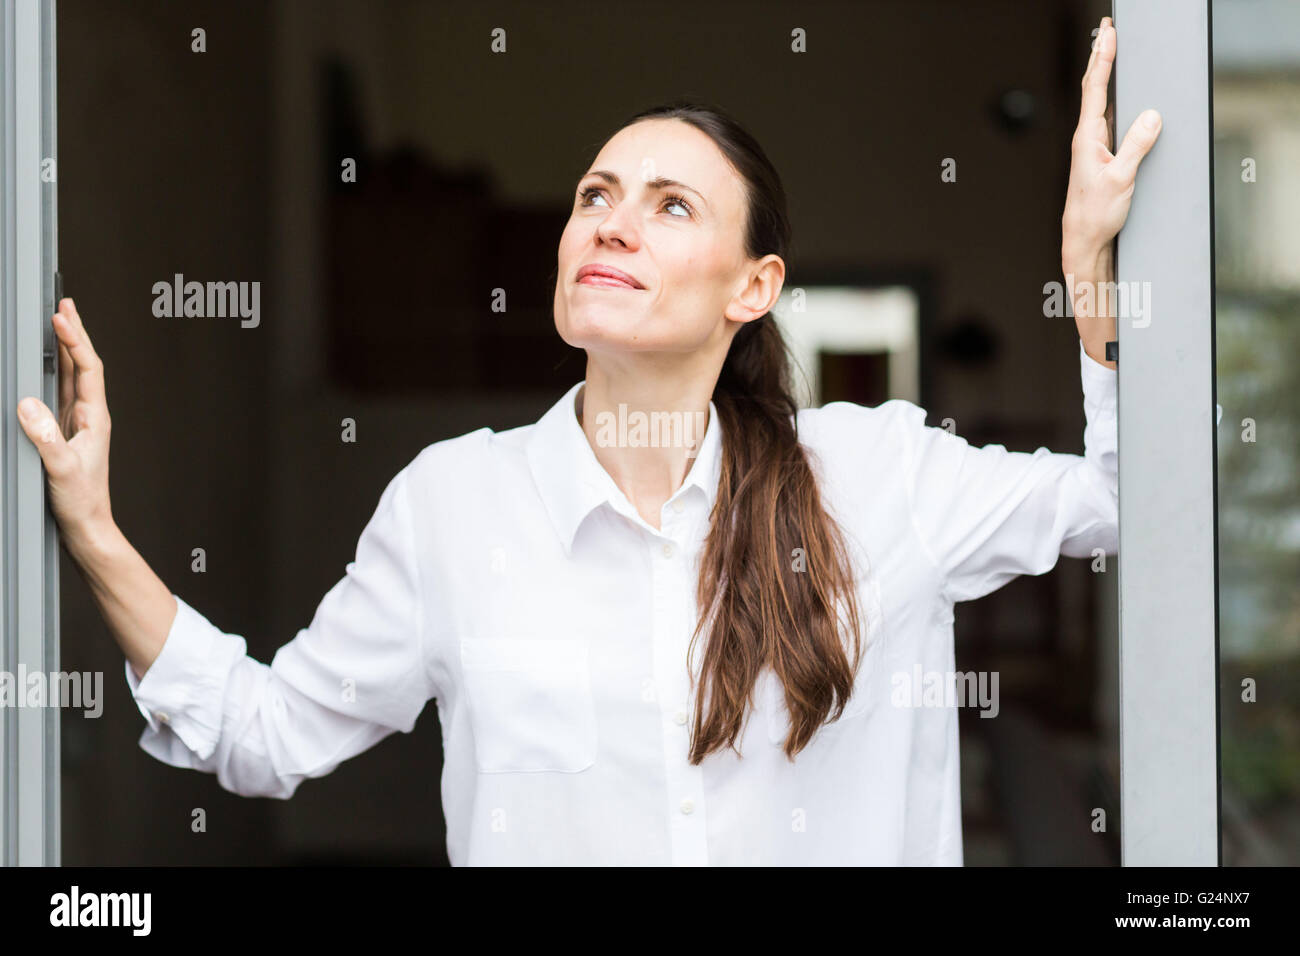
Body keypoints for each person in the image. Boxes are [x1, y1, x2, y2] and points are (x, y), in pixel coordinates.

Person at [17, 17, 1159, 865]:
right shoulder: (452, 504)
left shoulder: (880, 479)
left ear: (752, 286)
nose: (610, 219)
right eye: (594, 194)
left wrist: (1090, 275)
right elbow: (264, 731)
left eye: (670, 206)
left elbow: (1129, 498)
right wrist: (95, 528)